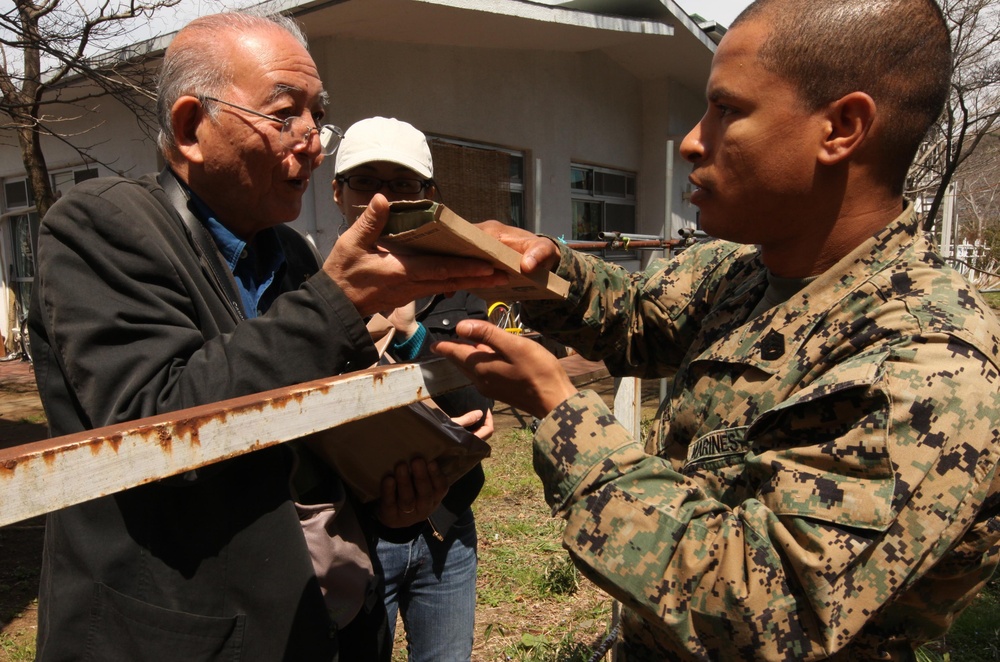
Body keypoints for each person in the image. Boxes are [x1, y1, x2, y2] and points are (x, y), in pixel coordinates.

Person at [433, 0, 1000, 658]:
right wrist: (542, 275)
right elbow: (641, 319)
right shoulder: (742, 273)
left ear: (842, 127)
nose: (692, 140)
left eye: (727, 110)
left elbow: (767, 614)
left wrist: (561, 415)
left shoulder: (928, 366)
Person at [28, 11, 505, 662]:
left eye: (318, 116)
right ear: (192, 127)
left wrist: (393, 494)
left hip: (314, 625)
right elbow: (161, 424)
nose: (313, 140)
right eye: (286, 115)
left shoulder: (293, 257)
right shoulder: (99, 227)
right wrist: (337, 303)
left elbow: (326, 439)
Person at [332, 116, 492, 662]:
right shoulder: (309, 290)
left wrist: (408, 332)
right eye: (364, 182)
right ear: (337, 193)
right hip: (349, 542)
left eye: (402, 185)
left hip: (444, 534)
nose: (383, 199)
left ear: (428, 196)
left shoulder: (455, 287)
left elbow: (475, 410)